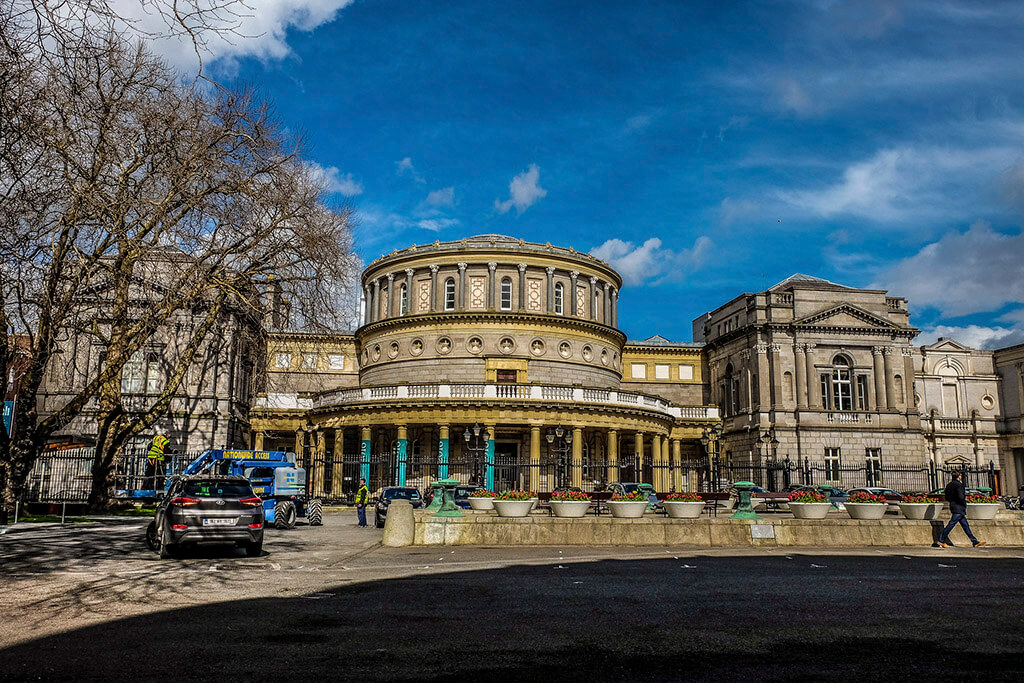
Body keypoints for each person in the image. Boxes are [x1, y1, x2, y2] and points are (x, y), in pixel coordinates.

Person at [937, 471, 986, 548]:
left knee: (965, 525)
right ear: (959, 477)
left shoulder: (949, 485)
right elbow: (961, 497)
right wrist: (963, 502)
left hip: (953, 505)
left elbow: (946, 497)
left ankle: (974, 541)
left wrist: (952, 501)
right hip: (959, 507)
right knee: (951, 524)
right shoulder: (959, 485)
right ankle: (941, 540)